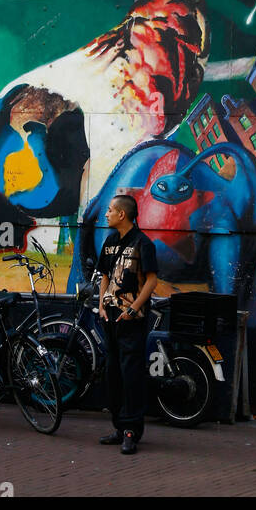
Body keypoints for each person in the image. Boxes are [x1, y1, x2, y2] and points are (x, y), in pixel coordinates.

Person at [97, 193, 158, 454]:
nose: (107, 214)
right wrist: (100, 305)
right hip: (110, 317)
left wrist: (133, 310)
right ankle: (119, 427)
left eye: (110, 210)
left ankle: (132, 430)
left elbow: (152, 281)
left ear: (122, 214)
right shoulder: (110, 241)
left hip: (132, 320)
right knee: (112, 373)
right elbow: (105, 276)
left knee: (131, 374)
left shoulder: (144, 244)